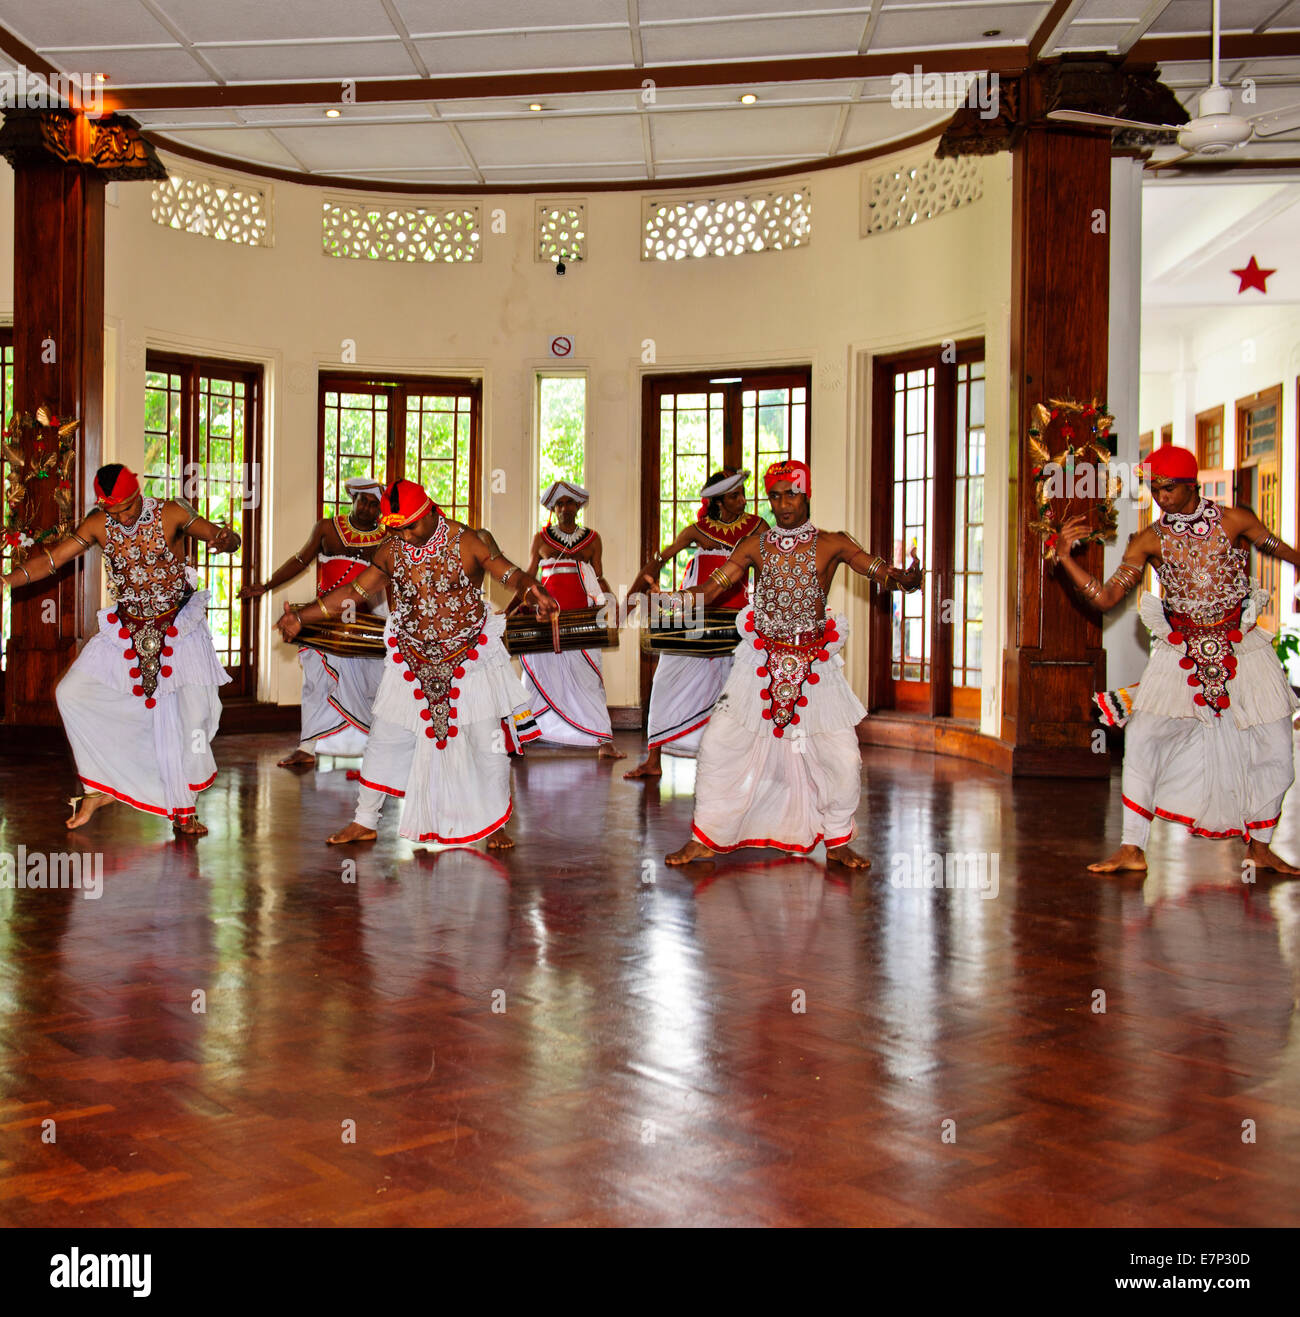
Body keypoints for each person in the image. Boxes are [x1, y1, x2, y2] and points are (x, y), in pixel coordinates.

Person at [1053, 442, 1300, 875]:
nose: (1161, 497)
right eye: (1154, 489)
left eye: (1169, 488)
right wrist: (1066, 561)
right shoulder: (1148, 539)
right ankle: (1132, 848)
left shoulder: (1235, 519)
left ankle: (1260, 846)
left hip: (1242, 648)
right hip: (1180, 652)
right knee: (1144, 739)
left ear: (1192, 484)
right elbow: (1108, 597)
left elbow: (1278, 547)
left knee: (1277, 747)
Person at [664, 459, 921, 869]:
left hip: (814, 666)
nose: (783, 505)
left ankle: (837, 840)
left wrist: (903, 579)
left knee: (842, 758)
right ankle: (705, 837)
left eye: (791, 494)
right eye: (775, 497)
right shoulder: (753, 545)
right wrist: (674, 600)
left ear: (807, 495)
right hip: (760, 663)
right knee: (718, 747)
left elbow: (876, 570)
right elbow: (712, 589)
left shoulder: (833, 542)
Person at [275, 479, 557, 848]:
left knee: (485, 744)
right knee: (384, 739)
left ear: (427, 511)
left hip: (469, 657)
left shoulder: (469, 541)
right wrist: (303, 617)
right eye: (397, 529)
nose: (404, 536)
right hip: (412, 657)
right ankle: (365, 820)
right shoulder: (392, 548)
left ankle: (494, 825)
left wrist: (534, 591)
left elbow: (510, 573)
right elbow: (354, 592)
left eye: (410, 526)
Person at [0, 464, 240, 836]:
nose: (122, 517)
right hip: (127, 629)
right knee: (71, 692)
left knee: (189, 721)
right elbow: (53, 561)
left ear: (137, 493)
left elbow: (218, 534)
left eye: (127, 508)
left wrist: (226, 539)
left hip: (179, 628)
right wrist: (5, 580)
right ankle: (98, 788)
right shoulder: (98, 523)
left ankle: (184, 809)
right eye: (113, 511)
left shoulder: (172, 512)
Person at [624, 468, 767, 779]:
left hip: (738, 620)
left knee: (744, 689)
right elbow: (659, 560)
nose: (742, 500)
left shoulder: (758, 527)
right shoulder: (696, 532)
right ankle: (654, 759)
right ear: (717, 502)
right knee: (664, 681)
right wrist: (630, 600)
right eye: (734, 496)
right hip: (695, 618)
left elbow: (770, 570)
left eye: (742, 494)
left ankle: (748, 761)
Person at [241, 476, 388, 766]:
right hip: (322, 618)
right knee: (316, 683)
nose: (368, 509)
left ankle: (377, 749)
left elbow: (388, 584)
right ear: (353, 500)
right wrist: (267, 586)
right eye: (364, 502)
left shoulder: (386, 540)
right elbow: (300, 560)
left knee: (372, 684)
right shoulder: (327, 528)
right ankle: (307, 749)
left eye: (375, 505)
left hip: (363, 624)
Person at [517, 480, 624, 759]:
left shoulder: (593, 539)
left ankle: (602, 740)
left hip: (582, 622)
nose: (565, 508)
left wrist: (612, 603)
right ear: (554, 508)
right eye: (560, 504)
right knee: (535, 678)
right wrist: (513, 609)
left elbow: (598, 577)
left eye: (570, 503)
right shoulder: (540, 538)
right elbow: (528, 579)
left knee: (589, 680)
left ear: (579, 506)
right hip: (546, 621)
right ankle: (528, 733)